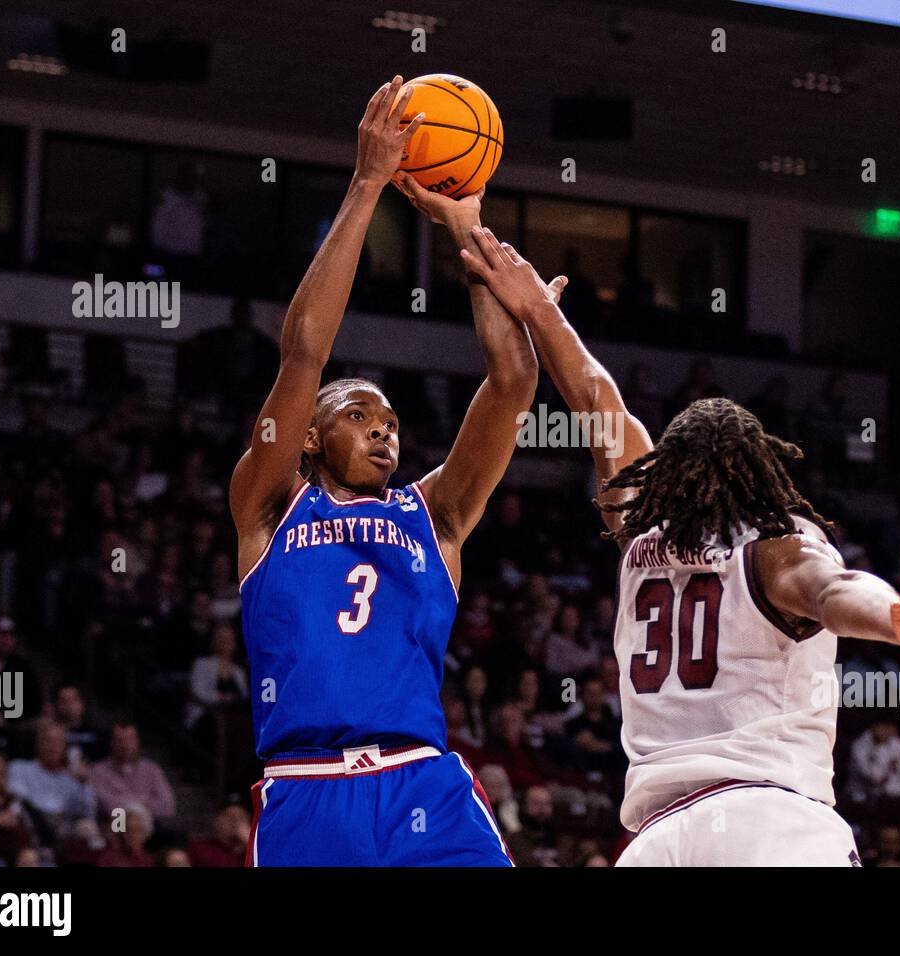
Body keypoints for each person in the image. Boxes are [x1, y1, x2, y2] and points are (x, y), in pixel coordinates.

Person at [460, 226, 900, 866]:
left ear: (668, 470)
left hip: (657, 840)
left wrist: (538, 311)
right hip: (771, 820)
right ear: (761, 472)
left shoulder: (638, 529)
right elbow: (836, 591)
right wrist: (894, 618)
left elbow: (595, 397)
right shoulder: (773, 545)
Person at [231, 77, 539, 866]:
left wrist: (470, 237)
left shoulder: (432, 516)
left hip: (419, 786)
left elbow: (513, 384)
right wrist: (368, 182)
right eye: (360, 418)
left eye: (394, 423)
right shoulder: (269, 508)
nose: (383, 432)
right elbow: (304, 348)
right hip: (304, 789)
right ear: (306, 437)